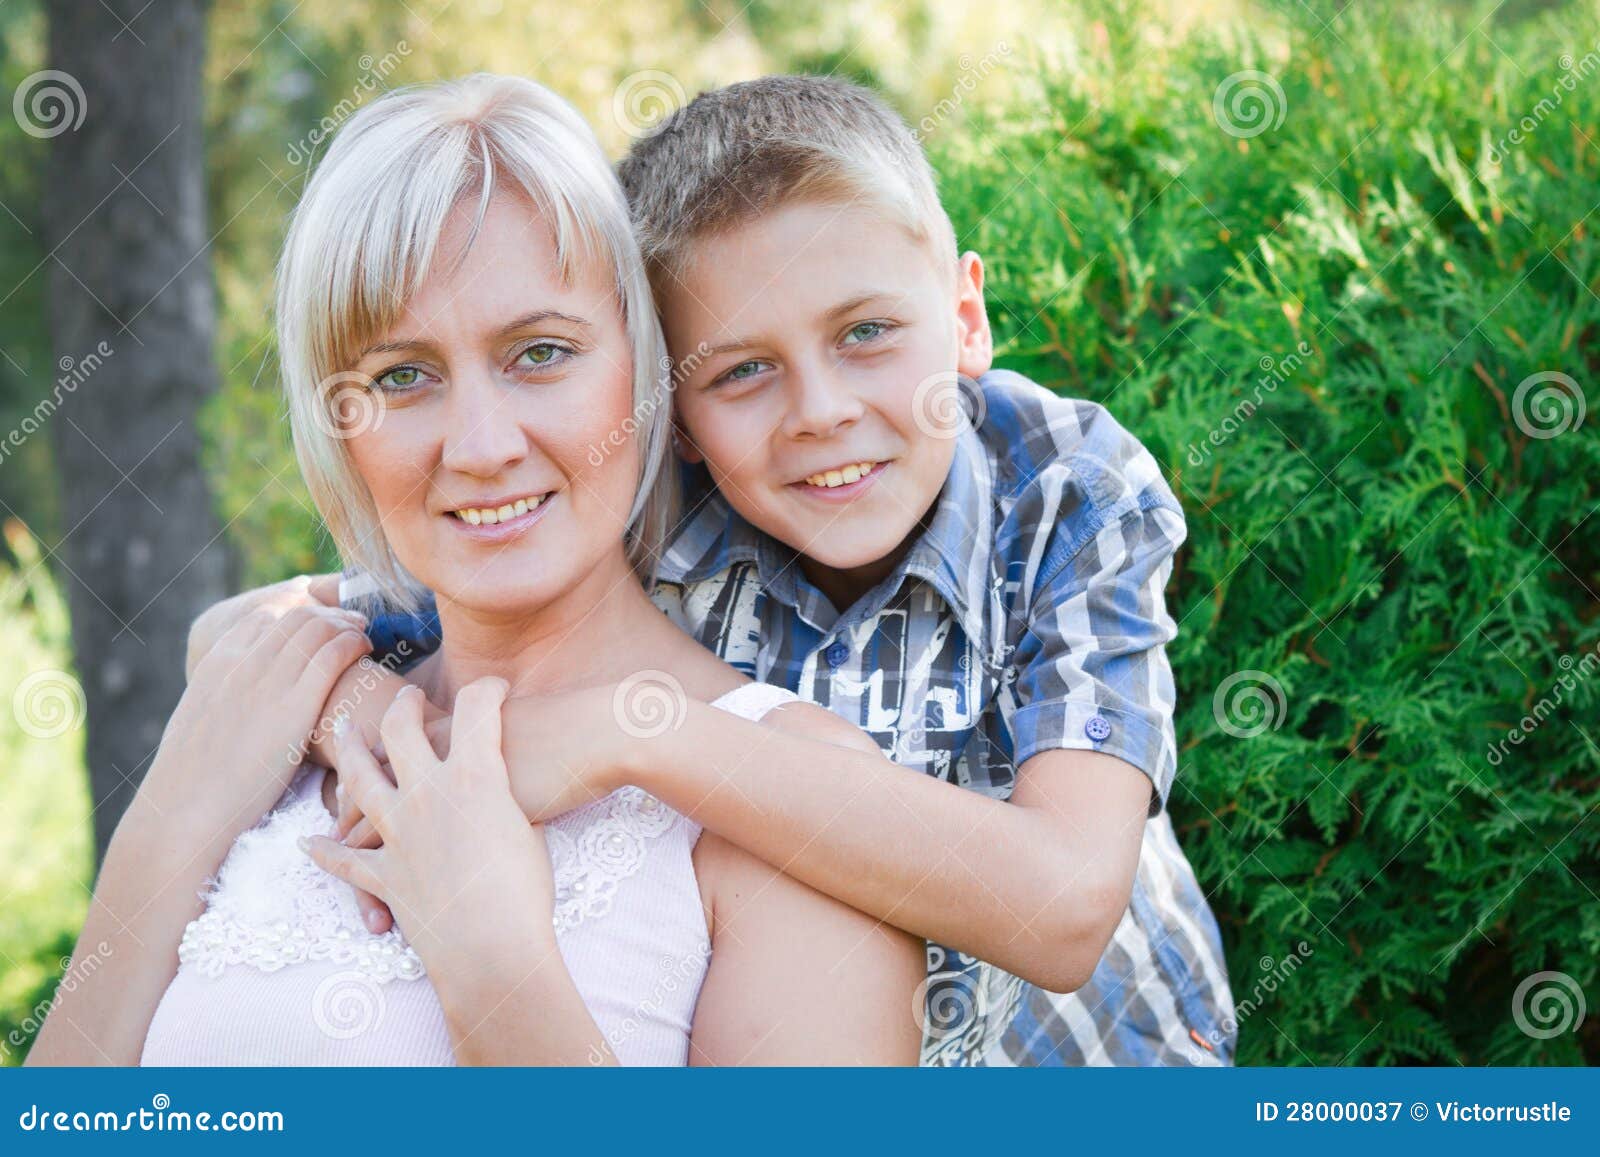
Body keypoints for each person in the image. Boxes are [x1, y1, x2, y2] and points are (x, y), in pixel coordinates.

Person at [194, 74, 1236, 1067]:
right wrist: (373, 726)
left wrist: (627, 733)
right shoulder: (644, 503)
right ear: (671, 411)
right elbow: (236, 633)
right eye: (742, 370)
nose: (819, 409)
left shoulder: (1059, 486)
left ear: (964, 318)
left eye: (867, 331)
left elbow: (1059, 909)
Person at [26, 74, 923, 1068]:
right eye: (401, 375)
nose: (481, 443)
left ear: (646, 365)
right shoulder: (280, 719)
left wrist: (493, 962)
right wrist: (168, 829)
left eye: (539, 352)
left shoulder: (801, 807)